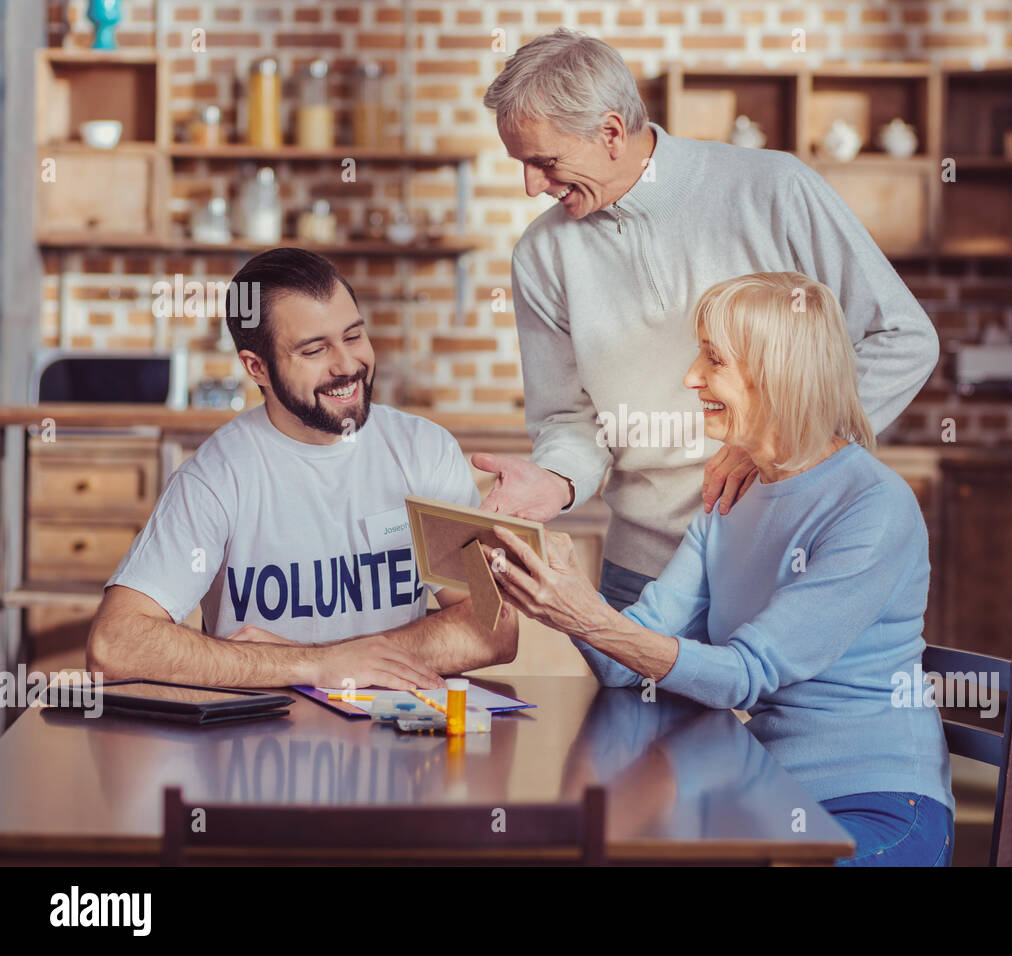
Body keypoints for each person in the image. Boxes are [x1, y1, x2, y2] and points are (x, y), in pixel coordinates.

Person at [487, 272, 955, 866]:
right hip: (765, 791)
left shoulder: (871, 507)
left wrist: (588, 616)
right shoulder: (733, 494)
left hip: (874, 804)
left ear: (779, 372)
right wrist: (553, 581)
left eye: (713, 359)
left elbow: (745, 674)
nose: (690, 377)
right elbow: (623, 669)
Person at [474, 28, 939, 614]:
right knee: (627, 709)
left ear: (611, 132)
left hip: (784, 558)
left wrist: (786, 445)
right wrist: (558, 480)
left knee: (779, 705)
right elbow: (569, 417)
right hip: (641, 575)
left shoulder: (774, 189)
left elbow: (903, 338)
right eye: (521, 165)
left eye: (544, 162)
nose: (529, 187)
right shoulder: (542, 255)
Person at [87, 248, 517, 689]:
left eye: (353, 337)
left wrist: (340, 660)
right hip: (251, 743)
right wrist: (313, 666)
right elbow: (115, 645)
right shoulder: (215, 478)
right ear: (259, 368)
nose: (348, 366)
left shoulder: (425, 454)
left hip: (397, 741)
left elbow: (494, 622)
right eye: (314, 350)